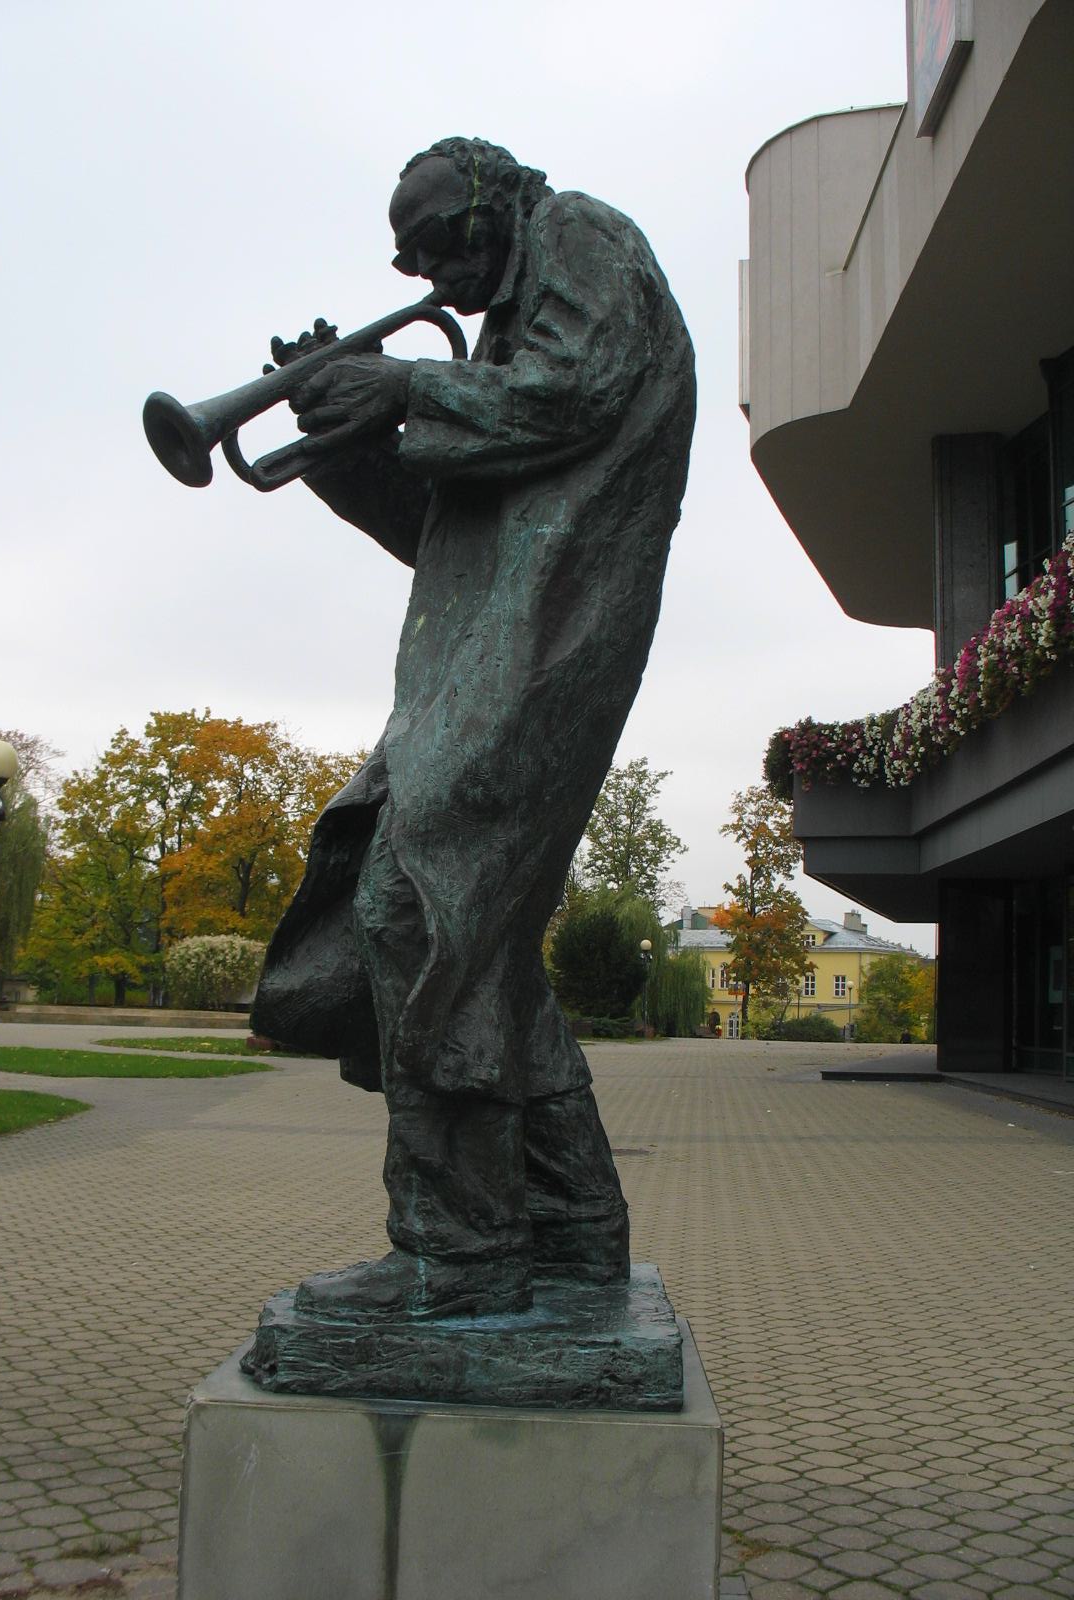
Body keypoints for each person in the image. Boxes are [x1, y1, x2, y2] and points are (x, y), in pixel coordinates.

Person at [251, 136, 695, 1323]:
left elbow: (579, 393)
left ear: (501, 200)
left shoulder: (584, 240)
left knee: (415, 904)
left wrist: (401, 388)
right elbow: (450, 537)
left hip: (553, 643)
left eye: (440, 235)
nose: (424, 265)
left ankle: (462, 1250)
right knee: (472, 939)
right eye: (406, 250)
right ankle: (575, 1229)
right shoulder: (500, 332)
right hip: (482, 648)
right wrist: (347, 456)